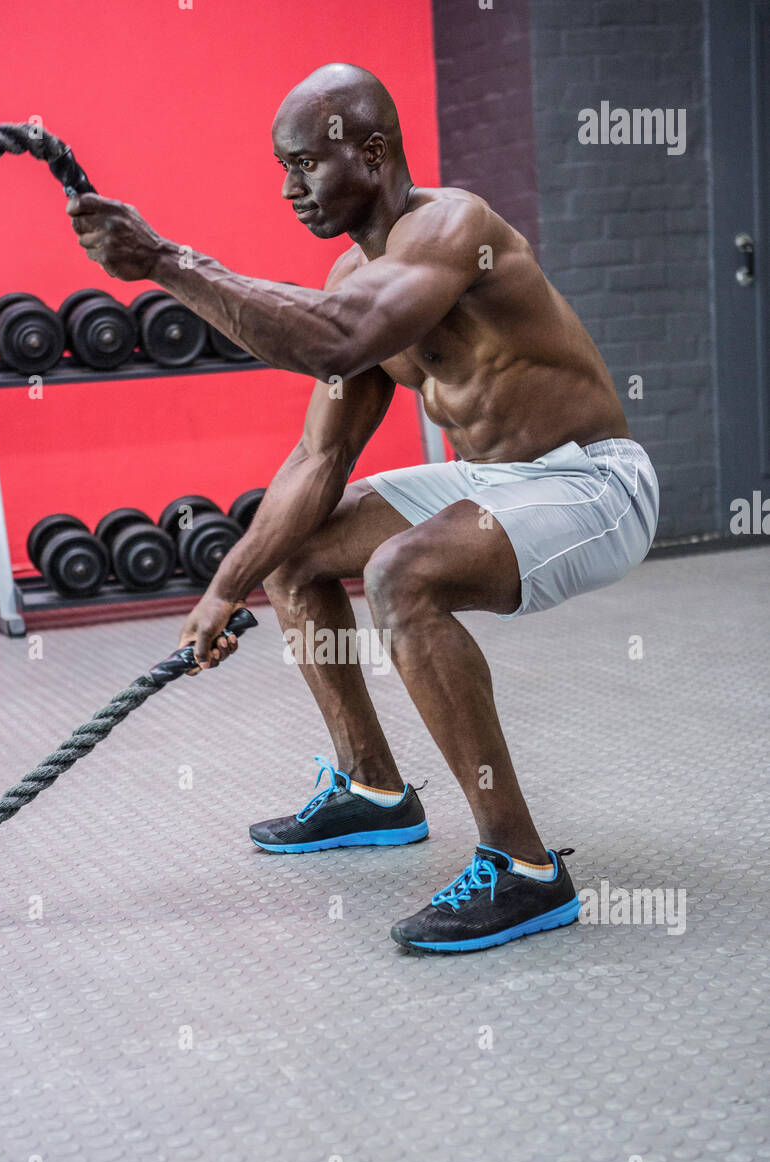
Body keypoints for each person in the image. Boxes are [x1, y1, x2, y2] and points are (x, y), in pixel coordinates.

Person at [67, 62, 659, 953]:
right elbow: (320, 458)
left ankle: (524, 869)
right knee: (295, 555)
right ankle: (372, 787)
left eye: (305, 164)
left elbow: (337, 340)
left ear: (372, 153)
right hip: (490, 479)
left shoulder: (453, 227)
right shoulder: (356, 273)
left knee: (400, 575)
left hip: (592, 482)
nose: (288, 189)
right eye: (284, 167)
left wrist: (164, 262)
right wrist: (226, 587)